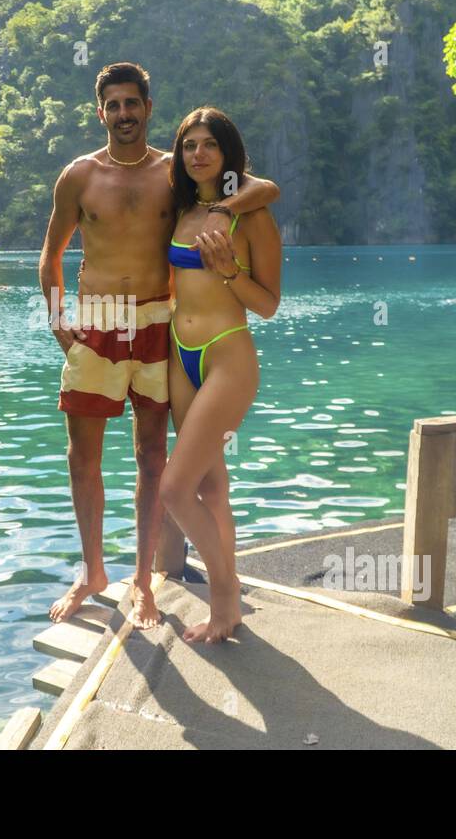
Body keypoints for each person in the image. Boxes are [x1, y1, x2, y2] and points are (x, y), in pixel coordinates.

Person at [39, 62, 280, 628]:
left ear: (148, 108)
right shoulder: (78, 176)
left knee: (152, 457)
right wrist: (57, 321)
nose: (123, 114)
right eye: (113, 105)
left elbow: (262, 188)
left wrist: (227, 209)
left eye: (133, 103)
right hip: (96, 322)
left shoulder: (175, 175)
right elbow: (49, 258)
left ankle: (144, 581)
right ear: (101, 113)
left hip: (157, 323)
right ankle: (94, 571)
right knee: (84, 459)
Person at [161, 107, 281, 643]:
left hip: (227, 356)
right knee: (210, 486)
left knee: (173, 488)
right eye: (189, 146)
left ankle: (225, 594)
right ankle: (227, 607)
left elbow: (270, 305)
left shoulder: (249, 218)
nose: (198, 155)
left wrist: (230, 270)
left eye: (209, 145)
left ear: (227, 152)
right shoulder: (181, 211)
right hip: (178, 354)